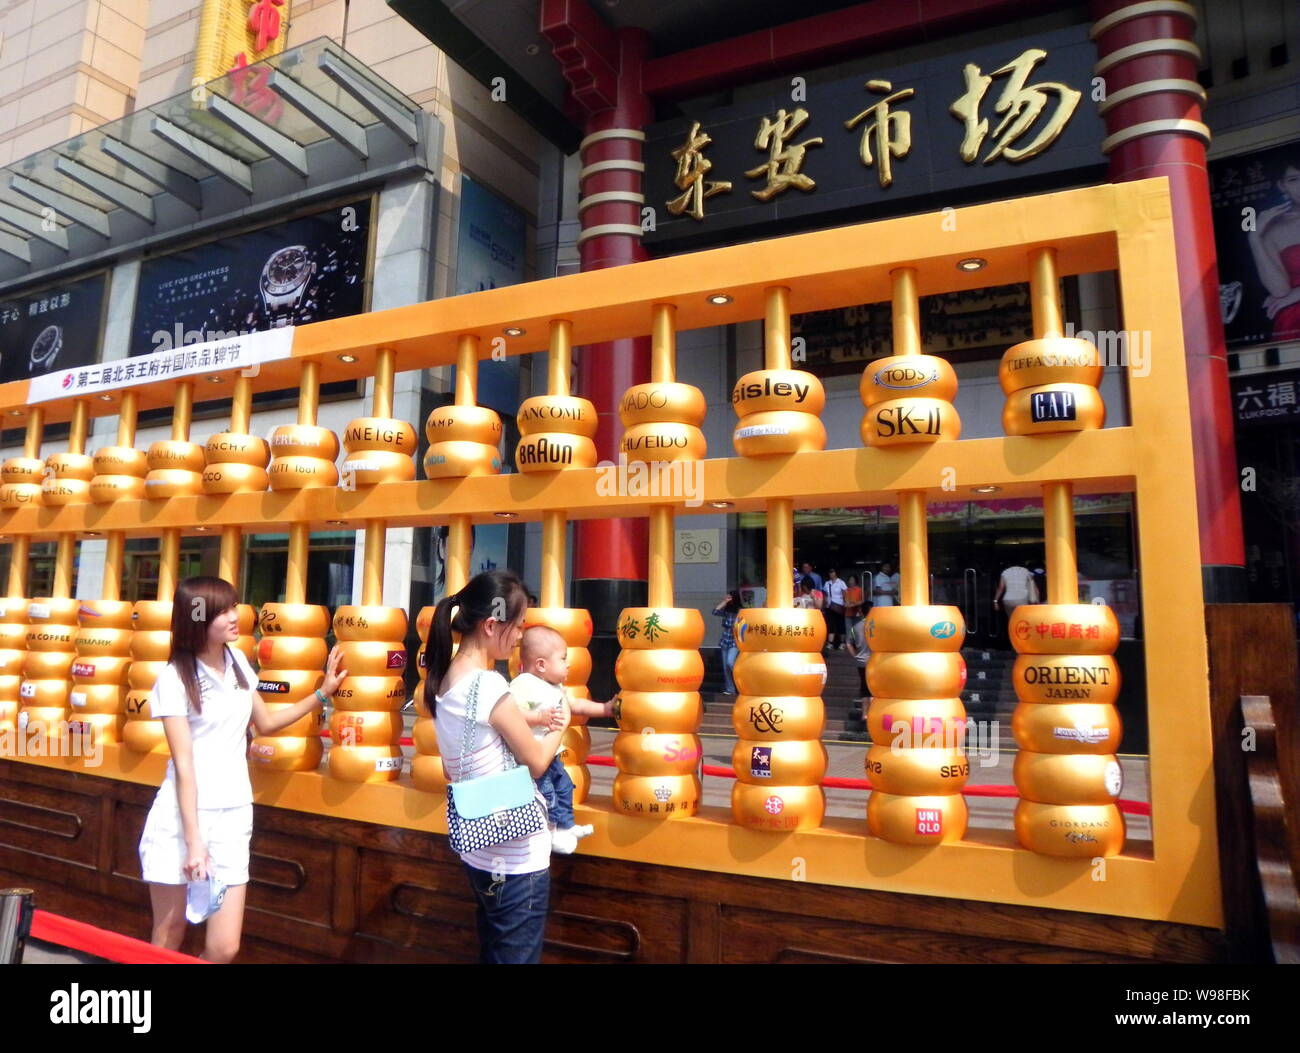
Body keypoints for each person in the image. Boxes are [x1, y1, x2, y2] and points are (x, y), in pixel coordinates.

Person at [139, 576, 346, 963]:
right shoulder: (174, 678)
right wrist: (195, 841)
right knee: (169, 935)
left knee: (224, 947)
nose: (236, 616)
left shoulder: (237, 664)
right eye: (223, 611)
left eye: (234, 607)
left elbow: (265, 723)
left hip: (233, 813)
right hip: (182, 820)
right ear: (197, 618)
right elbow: (185, 766)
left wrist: (321, 694)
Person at [425, 569, 570, 964]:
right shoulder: (488, 686)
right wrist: (561, 722)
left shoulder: (443, 679)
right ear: (492, 625)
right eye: (518, 625)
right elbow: (537, 762)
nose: (522, 635)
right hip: (518, 854)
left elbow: (450, 769)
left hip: (479, 850)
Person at [510, 625, 613, 853]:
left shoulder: (555, 687)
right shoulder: (523, 684)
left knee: (565, 787)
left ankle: (566, 826)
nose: (568, 664)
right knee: (546, 793)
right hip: (533, 756)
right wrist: (539, 717)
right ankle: (553, 832)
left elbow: (575, 705)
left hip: (552, 756)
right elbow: (511, 713)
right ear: (541, 664)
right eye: (563, 658)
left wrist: (605, 709)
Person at [1247, 159, 1300, 341]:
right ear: (1282, 185)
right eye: (1294, 180)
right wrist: (1254, 238)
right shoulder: (1274, 228)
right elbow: (1279, 291)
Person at [713, 590, 742, 695]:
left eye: (730, 597)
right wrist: (724, 602)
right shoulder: (727, 610)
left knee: (730, 662)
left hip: (735, 641)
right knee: (725, 666)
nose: (728, 598)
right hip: (725, 639)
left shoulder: (740, 611)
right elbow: (715, 611)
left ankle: (741, 682)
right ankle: (730, 689)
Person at [994, 558, 1040, 627]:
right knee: (1024, 620)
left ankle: (1013, 635)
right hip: (1023, 599)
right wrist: (1038, 601)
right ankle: (1023, 635)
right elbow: (1034, 588)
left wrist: (995, 601)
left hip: (1008, 600)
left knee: (1012, 621)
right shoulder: (1026, 571)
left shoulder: (1005, 572)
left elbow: (1001, 588)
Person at [843, 603, 869, 701]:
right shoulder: (878, 626)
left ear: (861, 612)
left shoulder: (856, 626)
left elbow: (849, 643)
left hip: (861, 659)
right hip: (875, 660)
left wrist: (855, 655)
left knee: (864, 684)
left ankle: (864, 712)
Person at [824, 568, 847, 649]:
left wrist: (845, 603)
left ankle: (842, 643)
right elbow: (826, 595)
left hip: (839, 605)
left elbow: (845, 594)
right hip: (830, 606)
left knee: (840, 624)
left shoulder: (841, 583)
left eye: (832, 572)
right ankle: (830, 643)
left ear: (836, 573)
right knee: (831, 625)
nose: (831, 574)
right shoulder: (827, 583)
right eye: (830, 572)